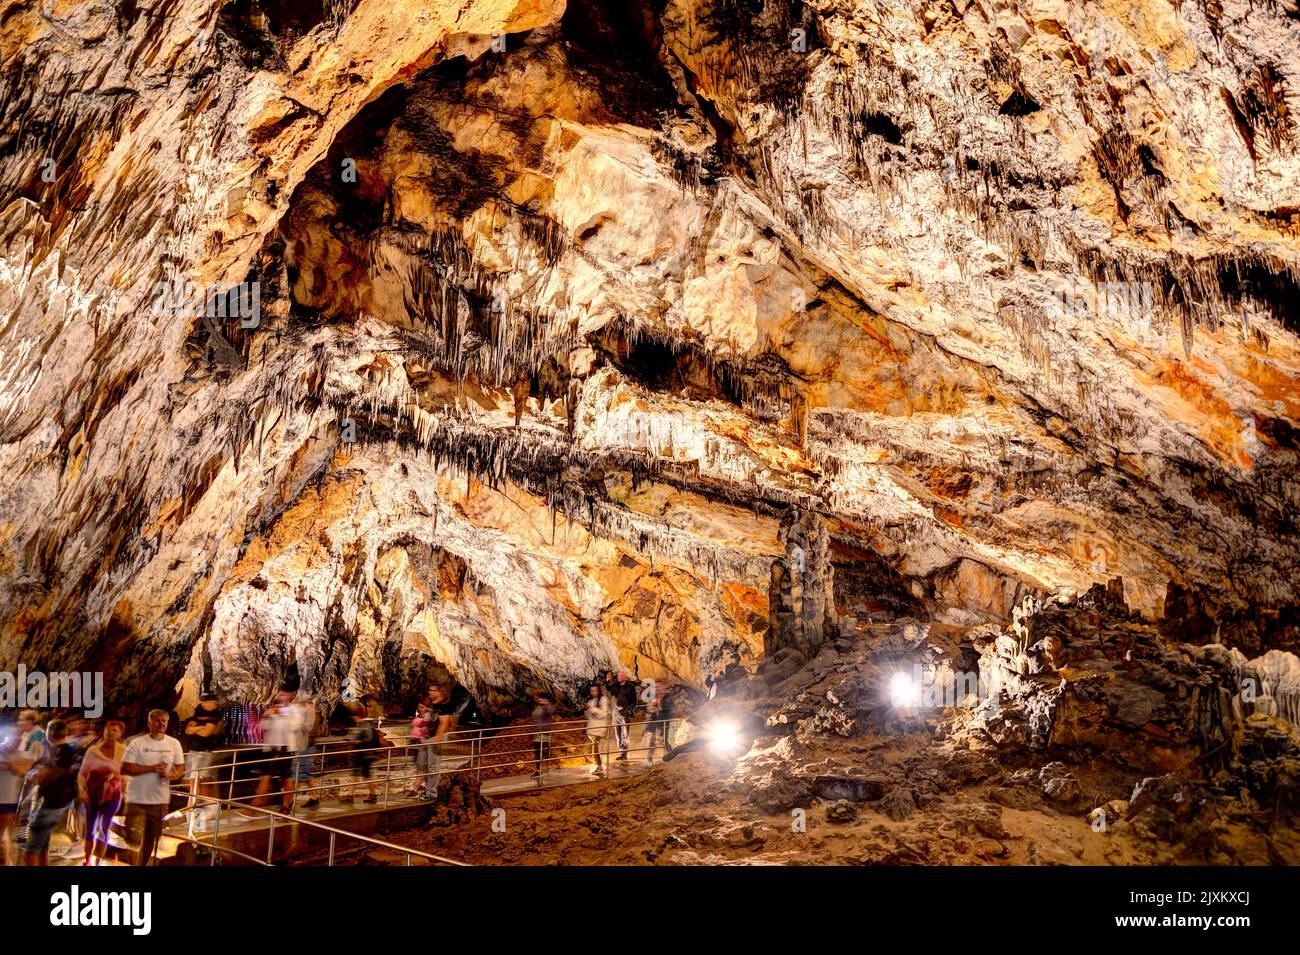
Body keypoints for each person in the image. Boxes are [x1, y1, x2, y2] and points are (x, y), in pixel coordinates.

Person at [120, 709, 185, 866]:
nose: (161, 724)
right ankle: (130, 854)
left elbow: (180, 769)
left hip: (159, 798)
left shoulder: (174, 744)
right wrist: (151, 768)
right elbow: (126, 768)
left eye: (164, 721)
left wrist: (170, 774)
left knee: (151, 836)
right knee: (132, 835)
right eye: (157, 721)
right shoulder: (137, 743)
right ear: (149, 723)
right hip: (137, 797)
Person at [24, 719, 77, 865]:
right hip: (54, 804)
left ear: (50, 732)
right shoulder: (60, 751)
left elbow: (47, 779)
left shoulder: (65, 752)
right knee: (42, 848)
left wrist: (38, 776)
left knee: (30, 853)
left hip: (50, 805)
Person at [78, 720, 125, 866]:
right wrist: (81, 790)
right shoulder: (93, 751)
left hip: (112, 795)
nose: (110, 733)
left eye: (114, 731)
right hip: (93, 793)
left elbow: (128, 773)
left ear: (120, 734)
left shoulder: (123, 751)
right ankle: (87, 860)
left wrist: (118, 776)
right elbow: (82, 773)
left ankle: (98, 860)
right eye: (108, 730)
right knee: (90, 827)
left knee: (103, 827)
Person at [1, 710, 45, 866]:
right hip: (8, 801)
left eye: (16, 737)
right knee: (5, 837)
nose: (12, 740)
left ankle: (9, 861)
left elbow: (25, 771)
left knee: (7, 835)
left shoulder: (25, 753)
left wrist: (8, 758)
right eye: (9, 736)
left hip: (10, 803)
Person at [423, 681, 479, 799]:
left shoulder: (444, 706)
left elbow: (443, 723)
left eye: (433, 690)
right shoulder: (434, 704)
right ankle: (427, 789)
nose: (430, 693)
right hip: (429, 738)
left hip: (435, 739)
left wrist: (437, 739)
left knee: (433, 766)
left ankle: (431, 793)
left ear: (440, 691)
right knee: (425, 766)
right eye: (430, 690)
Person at [182, 693, 226, 833]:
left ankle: (207, 810)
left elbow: (207, 732)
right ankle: (203, 808)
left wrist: (197, 729)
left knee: (202, 781)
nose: (211, 704)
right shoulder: (199, 712)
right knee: (192, 782)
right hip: (194, 751)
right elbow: (187, 730)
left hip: (204, 752)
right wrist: (199, 729)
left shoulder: (215, 714)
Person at [345, 705, 379, 804]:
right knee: (357, 774)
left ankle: (372, 795)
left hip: (365, 754)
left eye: (354, 715)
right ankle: (350, 795)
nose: (353, 717)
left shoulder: (366, 725)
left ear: (358, 716)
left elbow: (368, 738)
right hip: (360, 753)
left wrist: (357, 741)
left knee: (366, 775)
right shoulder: (360, 725)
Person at [404, 704, 431, 797]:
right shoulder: (420, 716)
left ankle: (415, 789)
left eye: (423, 706)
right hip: (415, 741)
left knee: (421, 767)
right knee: (420, 767)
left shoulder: (428, 716)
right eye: (419, 706)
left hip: (421, 742)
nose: (420, 709)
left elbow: (425, 728)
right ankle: (427, 787)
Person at [583, 684, 610, 777]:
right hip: (593, 729)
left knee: (596, 749)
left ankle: (599, 766)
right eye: (592, 691)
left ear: (599, 691)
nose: (594, 693)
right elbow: (589, 715)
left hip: (599, 729)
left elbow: (603, 714)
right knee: (592, 749)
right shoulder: (591, 701)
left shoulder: (603, 700)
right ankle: (598, 765)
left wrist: (592, 709)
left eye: (595, 691)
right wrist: (588, 710)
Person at [611, 671, 639, 760]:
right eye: (618, 675)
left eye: (620, 676)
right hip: (616, 713)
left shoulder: (630, 687)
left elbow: (634, 700)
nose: (618, 677)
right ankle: (621, 752)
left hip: (624, 713)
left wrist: (630, 710)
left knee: (624, 734)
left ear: (625, 677)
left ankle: (624, 753)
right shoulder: (616, 686)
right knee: (617, 734)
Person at [530, 691, 555, 780]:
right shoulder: (538, 707)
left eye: (540, 698)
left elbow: (550, 712)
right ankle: (538, 770)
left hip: (544, 731)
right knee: (537, 751)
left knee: (540, 751)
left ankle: (541, 770)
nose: (538, 699)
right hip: (537, 732)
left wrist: (546, 704)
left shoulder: (548, 706)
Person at [639, 678, 664, 765]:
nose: (657, 689)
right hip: (653, 722)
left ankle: (664, 756)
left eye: (658, 687)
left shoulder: (664, 697)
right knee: (651, 742)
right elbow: (649, 709)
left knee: (661, 740)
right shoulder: (652, 698)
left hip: (662, 721)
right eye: (655, 687)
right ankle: (649, 758)